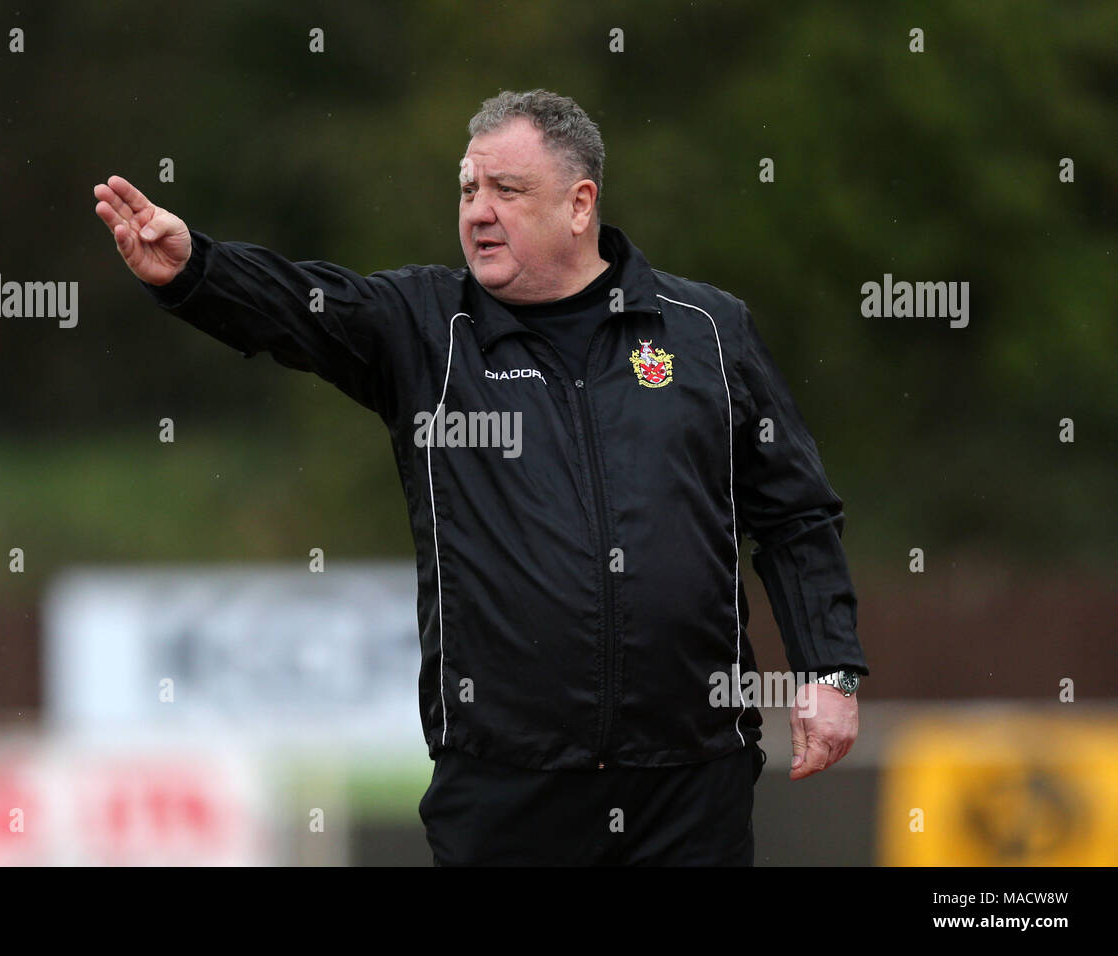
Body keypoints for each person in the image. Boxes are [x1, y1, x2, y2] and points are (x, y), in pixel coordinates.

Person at [92, 89, 868, 866]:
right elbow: (301, 308)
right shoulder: (427, 330)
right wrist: (195, 268)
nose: (478, 211)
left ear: (579, 204)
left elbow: (794, 511)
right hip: (506, 791)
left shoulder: (704, 331)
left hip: (688, 783)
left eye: (506, 190)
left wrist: (828, 668)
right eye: (468, 190)